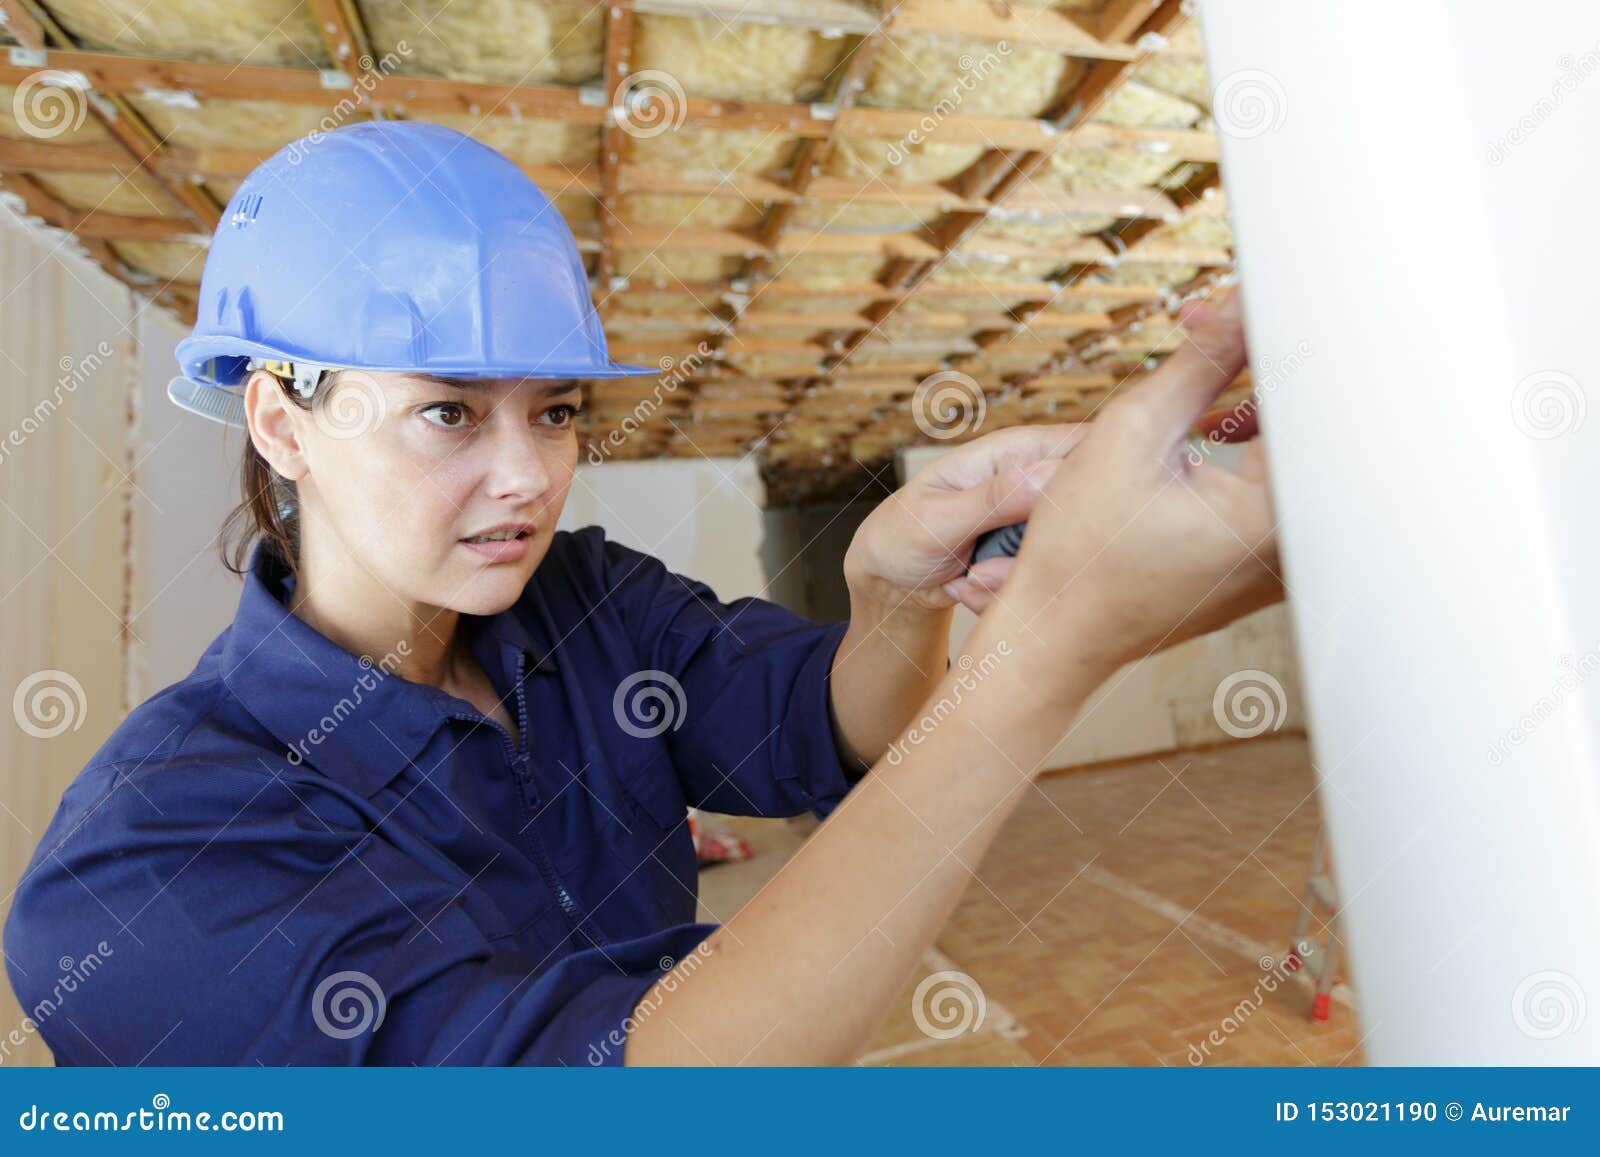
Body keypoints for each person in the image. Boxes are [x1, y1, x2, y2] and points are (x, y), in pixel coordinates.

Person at [3, 121, 1280, 1065]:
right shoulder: (149, 860)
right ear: (283, 421)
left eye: (555, 411)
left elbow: (840, 728)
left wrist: (892, 586)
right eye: (448, 411)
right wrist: (1048, 648)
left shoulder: (588, 608)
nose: (528, 479)